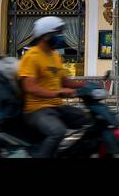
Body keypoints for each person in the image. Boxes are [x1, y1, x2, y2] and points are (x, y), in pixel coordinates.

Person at [18, 15, 86, 158]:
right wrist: (57, 93)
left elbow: (64, 81)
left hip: (56, 106)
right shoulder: (31, 56)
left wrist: (86, 86)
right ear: (45, 36)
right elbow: (30, 87)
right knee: (57, 132)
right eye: (57, 33)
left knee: (89, 120)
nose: (61, 37)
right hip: (36, 110)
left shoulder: (55, 55)